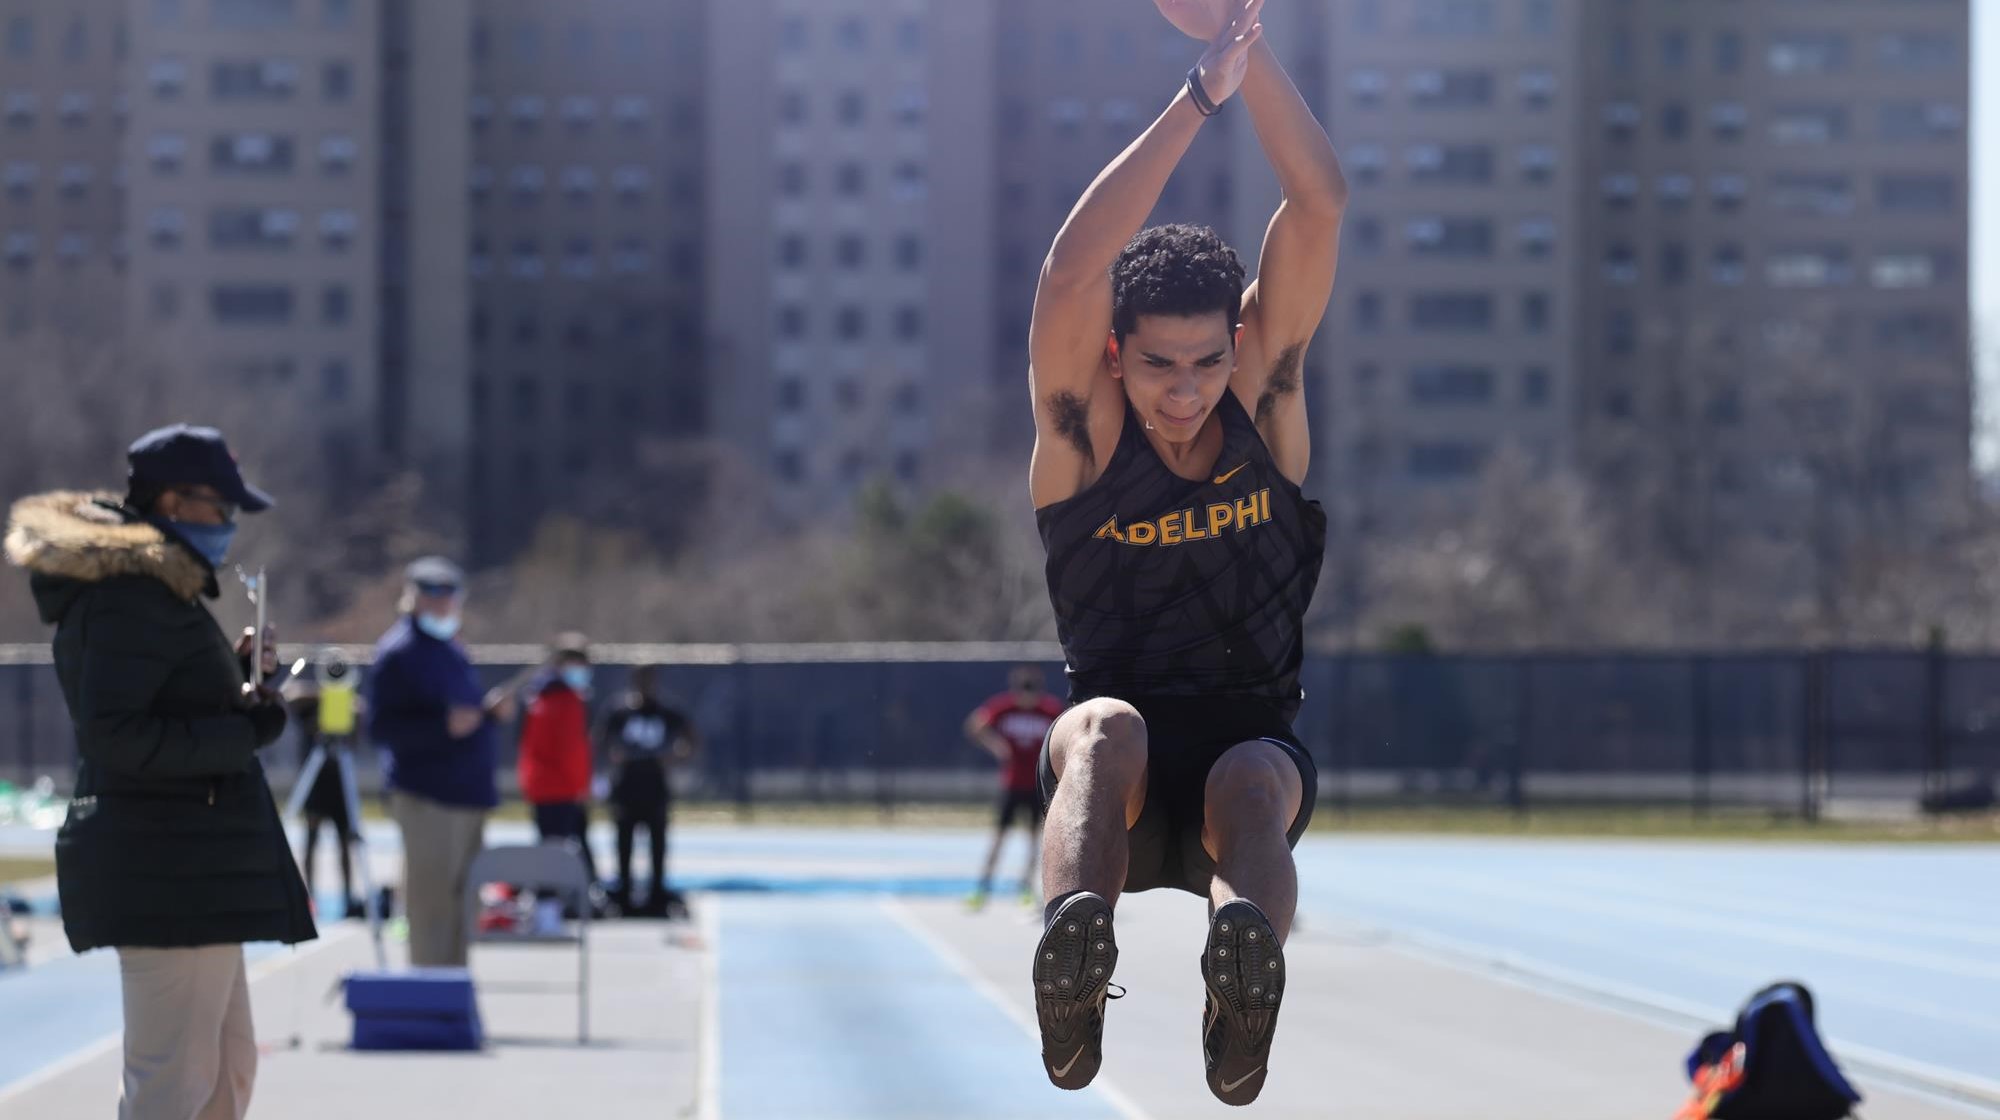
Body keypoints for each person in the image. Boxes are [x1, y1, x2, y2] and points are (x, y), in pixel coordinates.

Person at [1024, 0, 1345, 1104]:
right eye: (1158, 364)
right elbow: (1072, 269)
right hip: (1112, 757)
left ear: (1234, 347)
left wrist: (1245, 52)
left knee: (1255, 776)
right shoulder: (1086, 430)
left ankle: (1241, 989)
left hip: (1243, 745)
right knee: (1102, 727)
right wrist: (1197, 93)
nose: (1184, 390)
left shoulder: (1267, 395)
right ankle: (1072, 957)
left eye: (1206, 362)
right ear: (1116, 357)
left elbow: (1318, 200)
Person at [5, 423, 316, 1119]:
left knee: (225, 1076)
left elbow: (155, 703)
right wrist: (244, 728)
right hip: (169, 868)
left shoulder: (151, 591)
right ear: (173, 503)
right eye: (220, 507)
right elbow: (117, 734)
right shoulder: (129, 595)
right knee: (172, 1087)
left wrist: (233, 683)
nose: (230, 523)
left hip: (189, 864)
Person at [365, 557, 515, 968]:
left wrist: (487, 716)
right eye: (433, 598)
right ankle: (429, 996)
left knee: (463, 907)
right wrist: (441, 727)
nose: (444, 606)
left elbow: (464, 716)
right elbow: (380, 728)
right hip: (429, 796)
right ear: (412, 599)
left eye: (450, 597)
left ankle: (453, 997)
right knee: (431, 909)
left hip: (467, 793)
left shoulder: (451, 648)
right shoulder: (399, 652)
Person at [599, 665, 699, 917]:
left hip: (655, 789)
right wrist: (611, 757)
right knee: (624, 844)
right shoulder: (619, 710)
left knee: (657, 845)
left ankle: (656, 894)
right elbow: (599, 740)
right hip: (626, 788)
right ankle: (623, 894)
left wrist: (676, 755)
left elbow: (691, 738)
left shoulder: (667, 711)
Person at [962, 665, 1065, 910]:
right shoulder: (1004, 707)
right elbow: (975, 725)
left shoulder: (1048, 710)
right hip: (1012, 785)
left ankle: (1026, 889)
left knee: (1033, 839)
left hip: (1037, 786)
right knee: (999, 837)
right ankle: (982, 888)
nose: (1027, 700)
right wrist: (997, 746)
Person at [285, 650, 364, 918]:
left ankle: (348, 898)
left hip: (339, 784)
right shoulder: (311, 704)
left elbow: (356, 733)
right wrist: (327, 695)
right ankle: (308, 897)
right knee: (311, 841)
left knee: (345, 841)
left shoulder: (350, 706)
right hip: (315, 783)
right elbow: (291, 695)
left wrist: (345, 702)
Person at [517, 633, 599, 889]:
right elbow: (571, 751)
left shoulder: (540, 697)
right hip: (559, 788)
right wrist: (580, 787)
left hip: (544, 786)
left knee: (551, 845)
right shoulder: (563, 701)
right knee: (557, 849)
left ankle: (552, 902)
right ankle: (551, 903)